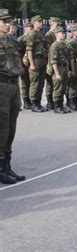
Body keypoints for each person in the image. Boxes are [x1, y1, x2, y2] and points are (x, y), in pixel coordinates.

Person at [0, 9, 25, 184]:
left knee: (11, 128)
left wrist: (20, 94)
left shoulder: (13, 42)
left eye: (9, 21)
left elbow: (17, 69)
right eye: (4, 21)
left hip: (13, 87)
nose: (8, 24)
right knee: (2, 129)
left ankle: (7, 166)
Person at [27, 15, 48, 112]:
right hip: (35, 60)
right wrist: (31, 64)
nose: (41, 23)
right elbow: (29, 50)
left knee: (41, 82)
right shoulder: (32, 34)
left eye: (41, 21)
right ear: (34, 23)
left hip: (42, 59)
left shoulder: (41, 33)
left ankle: (38, 103)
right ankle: (34, 103)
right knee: (35, 82)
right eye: (39, 21)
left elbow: (45, 47)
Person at [49, 26, 71, 114]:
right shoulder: (54, 46)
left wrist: (68, 70)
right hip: (58, 68)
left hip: (64, 67)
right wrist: (57, 73)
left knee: (63, 88)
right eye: (61, 33)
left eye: (63, 33)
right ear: (56, 34)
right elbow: (53, 61)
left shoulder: (64, 44)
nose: (63, 34)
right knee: (58, 88)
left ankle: (61, 105)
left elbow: (67, 58)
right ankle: (57, 106)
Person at [66, 25, 77, 111]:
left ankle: (76, 100)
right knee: (73, 85)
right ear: (72, 32)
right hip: (74, 65)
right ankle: (71, 101)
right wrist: (72, 70)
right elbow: (71, 58)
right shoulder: (71, 43)